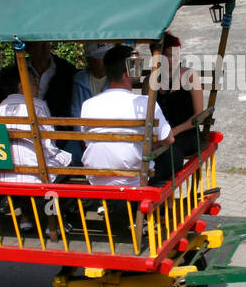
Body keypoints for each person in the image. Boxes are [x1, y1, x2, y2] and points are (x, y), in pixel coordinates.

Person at [80, 45, 172, 188]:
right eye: (135, 65)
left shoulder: (88, 105)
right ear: (127, 73)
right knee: (173, 155)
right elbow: (168, 139)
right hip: (134, 181)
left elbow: (88, 141)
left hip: (96, 179)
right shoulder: (145, 103)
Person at [0, 65, 71, 184]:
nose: (38, 87)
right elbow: (49, 146)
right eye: (34, 82)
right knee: (70, 160)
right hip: (35, 178)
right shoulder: (38, 106)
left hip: (3, 178)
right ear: (22, 87)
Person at [147, 31, 204, 183]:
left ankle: (156, 189)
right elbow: (147, 113)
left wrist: (173, 131)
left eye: (175, 54)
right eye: (168, 55)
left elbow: (199, 113)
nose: (174, 59)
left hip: (185, 133)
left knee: (170, 153)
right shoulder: (150, 80)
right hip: (160, 134)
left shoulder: (190, 75)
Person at [25, 41, 78, 119]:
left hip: (58, 125)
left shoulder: (66, 70)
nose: (46, 48)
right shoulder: (18, 70)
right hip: (26, 123)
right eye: (40, 45)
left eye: (47, 43)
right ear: (29, 49)